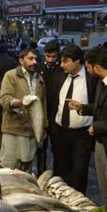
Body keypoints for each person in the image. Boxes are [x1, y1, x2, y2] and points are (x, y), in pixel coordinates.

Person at [68, 47, 107, 206]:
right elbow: (99, 108)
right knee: (104, 187)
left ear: (97, 67)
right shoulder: (100, 83)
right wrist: (82, 108)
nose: (87, 70)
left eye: (88, 67)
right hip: (99, 142)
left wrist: (96, 127)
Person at [51, 45, 97, 194]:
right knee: (60, 171)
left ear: (78, 61)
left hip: (82, 135)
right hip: (59, 132)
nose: (62, 64)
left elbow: (98, 105)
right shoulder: (59, 75)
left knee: (79, 173)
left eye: (66, 61)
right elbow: (53, 101)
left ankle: (77, 205)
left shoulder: (91, 79)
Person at [0, 48, 46, 172]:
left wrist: (43, 127)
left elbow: (43, 106)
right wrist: (20, 103)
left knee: (26, 168)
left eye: (36, 58)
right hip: (13, 129)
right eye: (30, 59)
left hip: (31, 131)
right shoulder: (11, 75)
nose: (34, 62)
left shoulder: (39, 79)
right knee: (9, 168)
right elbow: (4, 99)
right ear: (21, 60)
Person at [37, 40, 64, 173]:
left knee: (57, 149)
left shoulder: (62, 70)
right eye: (48, 56)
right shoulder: (38, 69)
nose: (51, 59)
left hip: (57, 116)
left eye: (54, 56)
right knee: (40, 148)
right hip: (41, 115)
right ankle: (41, 174)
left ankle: (57, 175)